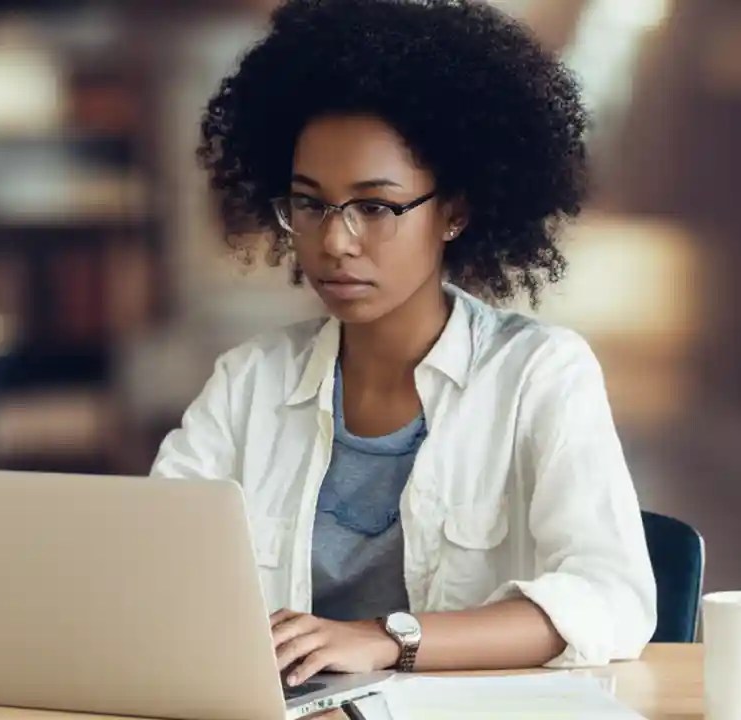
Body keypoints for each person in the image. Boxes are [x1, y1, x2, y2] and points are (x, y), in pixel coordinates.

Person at [150, 0, 656, 685]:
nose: (334, 241)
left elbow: (613, 601)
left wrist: (386, 639)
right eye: (309, 203)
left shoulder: (538, 375)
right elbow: (151, 572)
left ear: (455, 211)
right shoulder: (251, 382)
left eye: (375, 207)